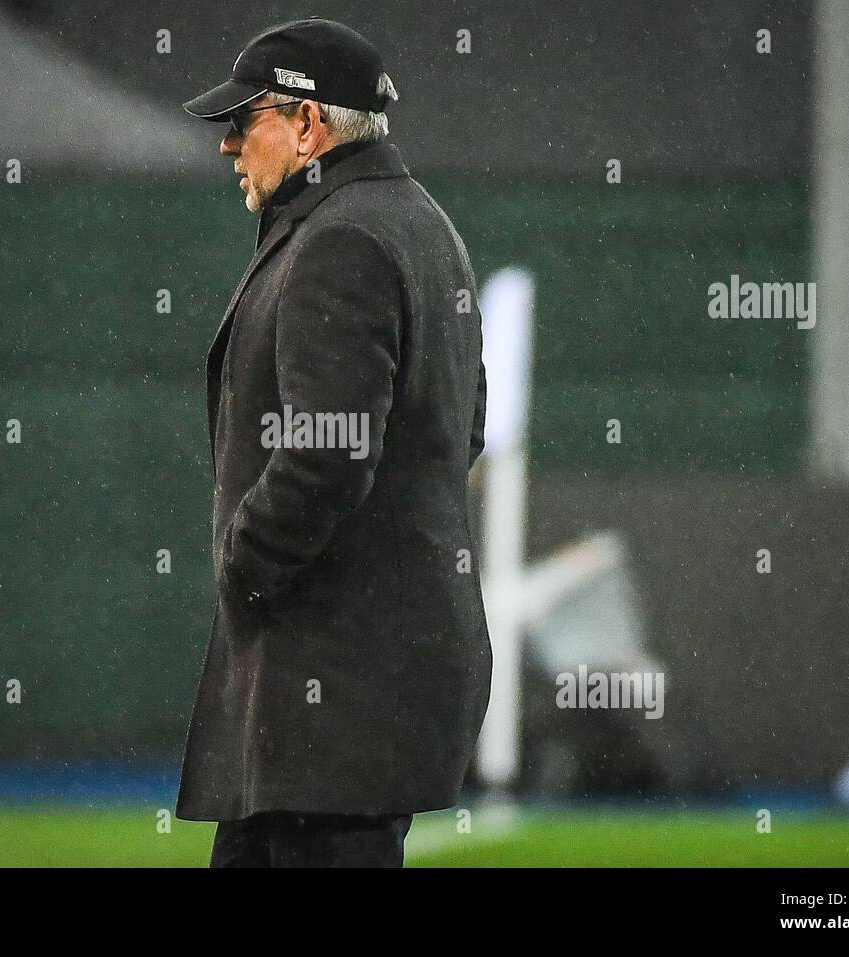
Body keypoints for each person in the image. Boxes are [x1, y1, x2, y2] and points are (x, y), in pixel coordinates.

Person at [175, 17, 492, 868]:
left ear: (309, 124)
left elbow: (328, 452)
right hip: (355, 689)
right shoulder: (425, 228)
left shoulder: (342, 237)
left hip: (332, 696)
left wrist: (246, 559)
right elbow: (464, 430)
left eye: (245, 120)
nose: (228, 145)